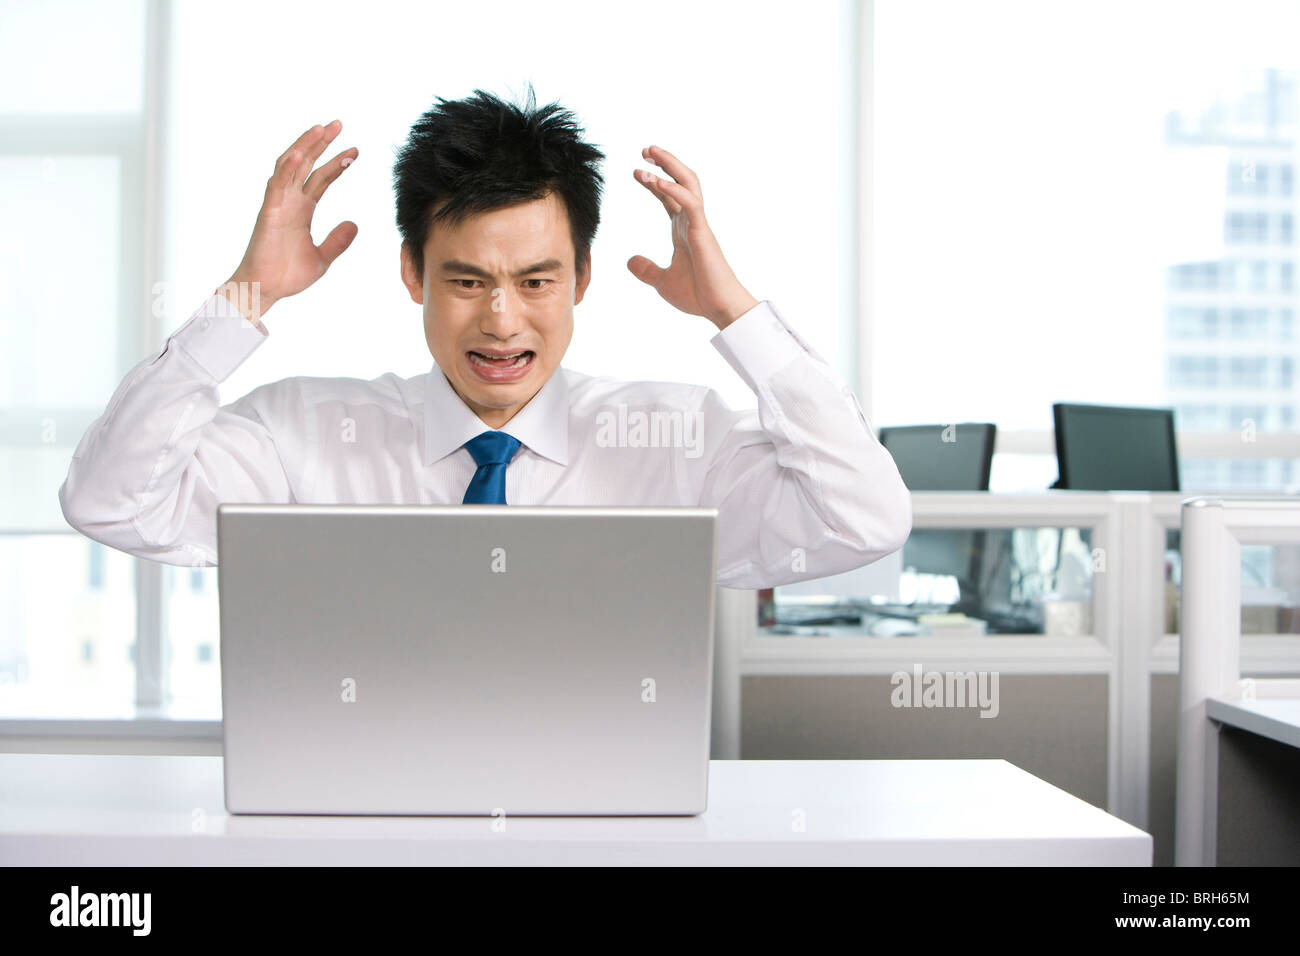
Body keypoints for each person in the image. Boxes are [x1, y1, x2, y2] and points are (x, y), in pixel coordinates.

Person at [58, 86, 911, 589]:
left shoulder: (681, 442)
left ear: (582, 279)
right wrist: (245, 300)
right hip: (361, 819)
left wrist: (739, 316)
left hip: (605, 827)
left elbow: (866, 519)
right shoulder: (299, 436)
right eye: (467, 281)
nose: (501, 320)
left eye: (536, 281)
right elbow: (108, 500)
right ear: (412, 276)